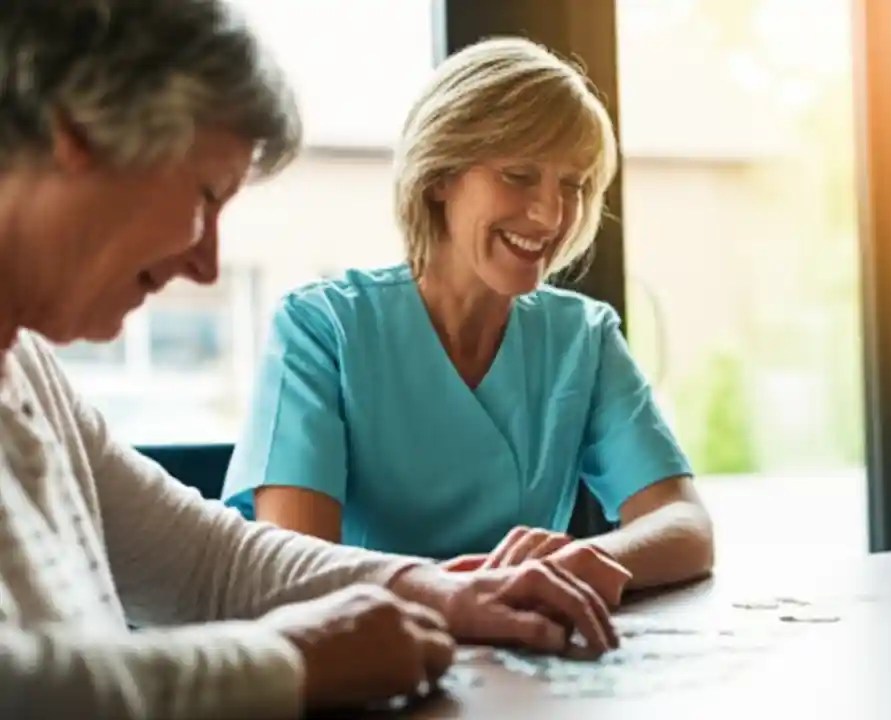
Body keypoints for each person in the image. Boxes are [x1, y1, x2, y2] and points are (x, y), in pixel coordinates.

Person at [0, 3, 622, 718]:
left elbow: (211, 561)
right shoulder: (332, 323)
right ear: (76, 135)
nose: (206, 265)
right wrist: (289, 661)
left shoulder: (31, 371)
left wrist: (445, 590)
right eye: (206, 195)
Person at [221, 37, 715, 608]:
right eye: (520, 175)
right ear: (439, 176)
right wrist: (471, 595)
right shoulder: (322, 328)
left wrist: (592, 557)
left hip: (528, 671)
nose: (552, 214)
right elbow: (297, 567)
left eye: (573, 185)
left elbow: (685, 525)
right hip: (365, 660)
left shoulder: (583, 336)